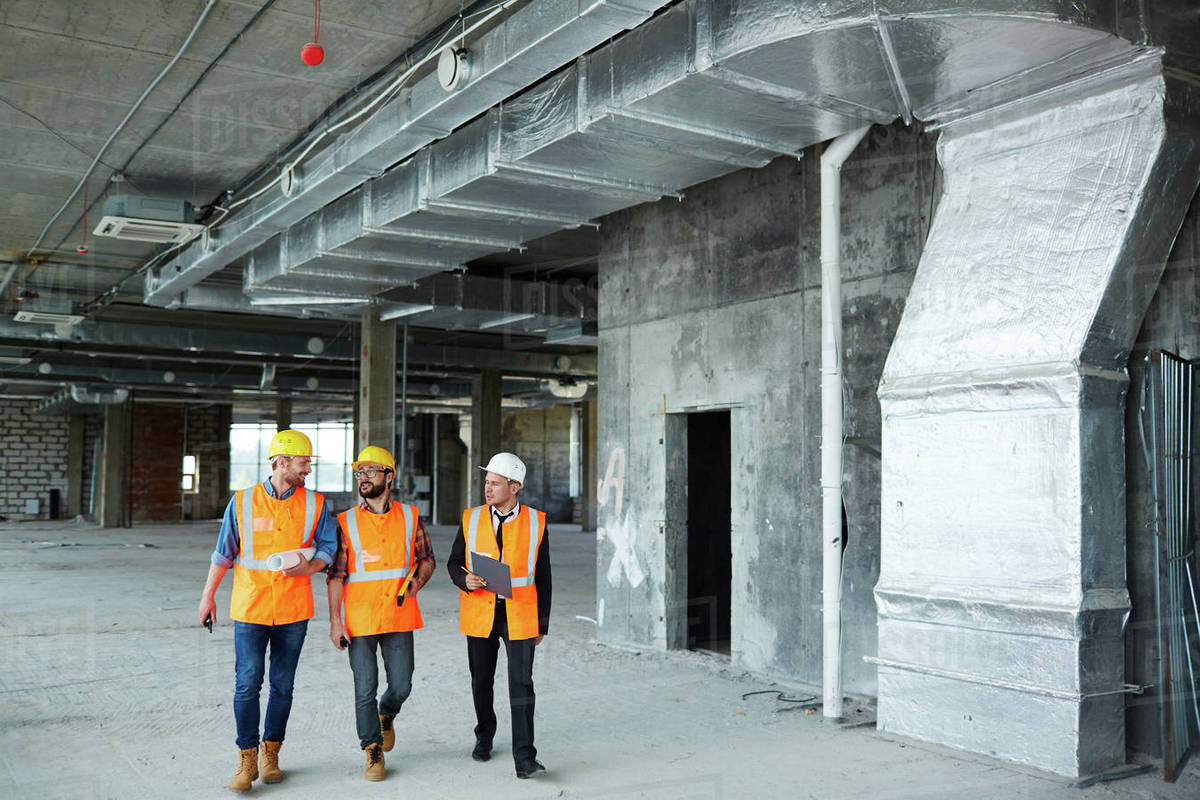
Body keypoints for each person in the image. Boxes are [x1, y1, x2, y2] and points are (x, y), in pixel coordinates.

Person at [197, 429, 338, 792]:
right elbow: (223, 553)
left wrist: (308, 568)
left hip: (293, 611)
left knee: (282, 685)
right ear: (281, 462)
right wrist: (207, 596)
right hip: (250, 608)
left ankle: (271, 753)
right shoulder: (242, 501)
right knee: (247, 685)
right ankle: (246, 759)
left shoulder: (317, 504)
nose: (308, 469)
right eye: (303, 462)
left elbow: (328, 549)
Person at [326, 446, 436, 781]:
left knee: (401, 685)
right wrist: (335, 622)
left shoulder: (410, 516)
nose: (364, 477)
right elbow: (336, 576)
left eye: (372, 471)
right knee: (364, 687)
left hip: (399, 614)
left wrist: (418, 580)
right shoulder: (345, 523)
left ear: (390, 476)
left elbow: (427, 558)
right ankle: (372, 750)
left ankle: (386, 713)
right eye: (360, 472)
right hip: (359, 618)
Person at [447, 452, 551, 779]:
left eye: (494, 483)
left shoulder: (536, 522)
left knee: (522, 685)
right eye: (486, 482)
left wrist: (542, 623)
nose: (487, 489)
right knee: (482, 681)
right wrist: (464, 579)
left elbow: (544, 576)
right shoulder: (471, 518)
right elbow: (453, 563)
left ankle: (525, 758)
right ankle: (484, 735)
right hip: (481, 613)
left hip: (520, 615)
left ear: (515, 486)